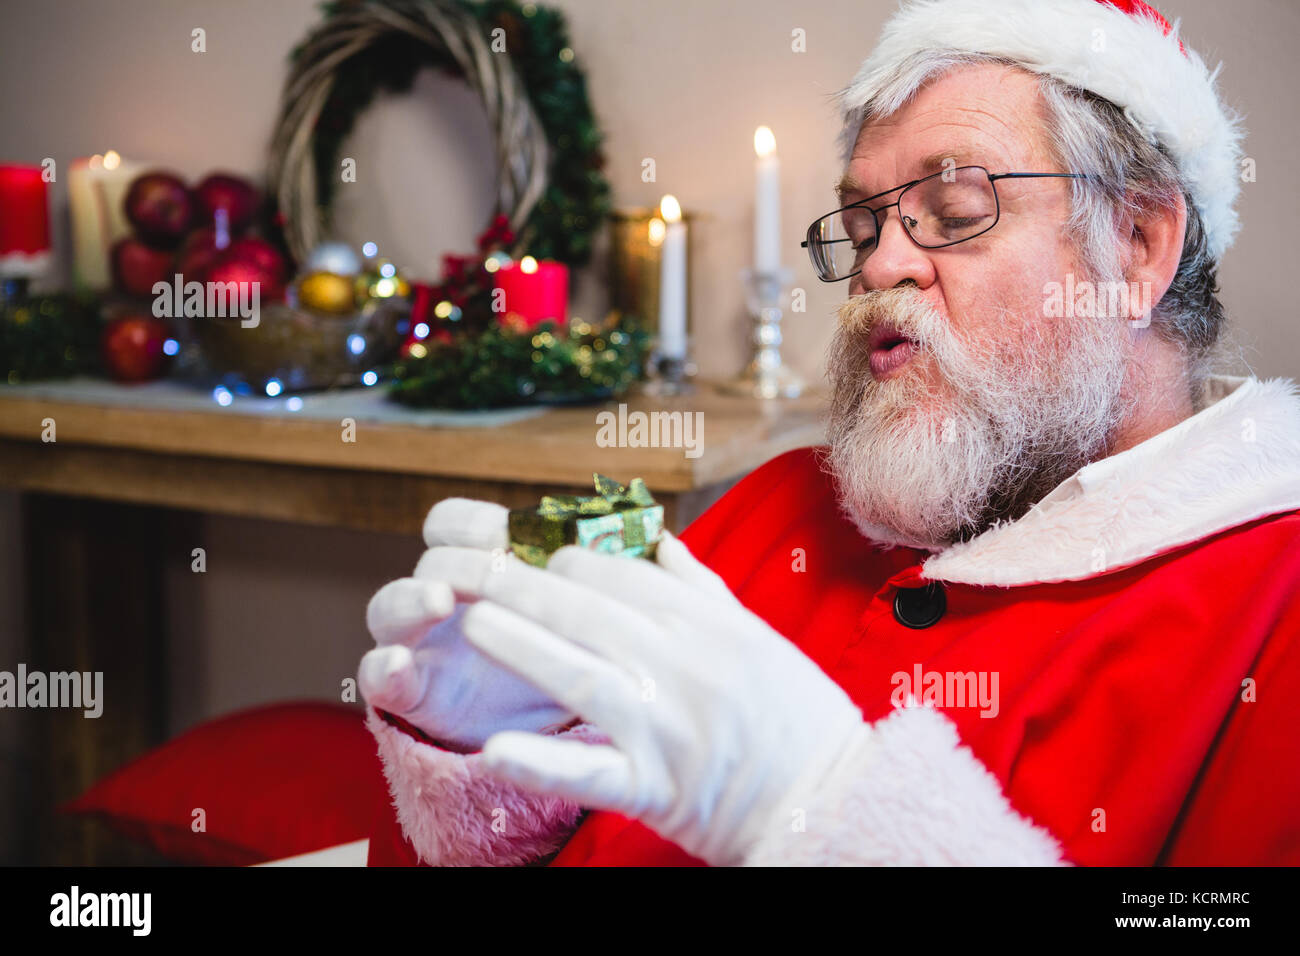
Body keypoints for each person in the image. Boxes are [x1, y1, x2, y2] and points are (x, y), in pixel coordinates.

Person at [358, 0, 1300, 866]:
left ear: (1137, 247)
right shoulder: (780, 504)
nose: (882, 262)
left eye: (957, 214)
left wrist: (831, 815)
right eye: (862, 223)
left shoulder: (1273, 609)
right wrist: (495, 746)